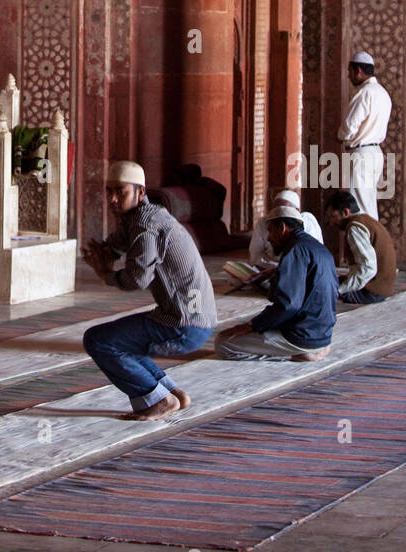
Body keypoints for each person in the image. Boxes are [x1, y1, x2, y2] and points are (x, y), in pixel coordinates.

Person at [81, 159, 218, 420]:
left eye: (120, 191)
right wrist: (105, 252)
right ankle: (173, 394)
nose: (112, 198)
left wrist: (106, 274)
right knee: (121, 342)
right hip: (196, 319)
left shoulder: (146, 224)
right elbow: (117, 245)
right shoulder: (139, 217)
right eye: (108, 191)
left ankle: (160, 400)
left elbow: (137, 279)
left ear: (140, 192)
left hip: (184, 325)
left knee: (98, 340)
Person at [216, 210, 338, 362]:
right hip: (323, 333)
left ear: (282, 227)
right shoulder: (316, 247)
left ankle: (293, 354)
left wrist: (252, 325)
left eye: (270, 231)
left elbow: (288, 305)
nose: (268, 238)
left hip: (301, 335)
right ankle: (312, 348)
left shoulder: (294, 250)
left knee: (223, 343)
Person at [338, 50, 392, 217]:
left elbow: (350, 127)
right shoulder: (383, 93)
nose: (349, 76)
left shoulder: (364, 94)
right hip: (374, 153)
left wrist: (340, 135)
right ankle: (371, 242)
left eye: (350, 71)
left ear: (358, 71)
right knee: (367, 204)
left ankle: (365, 243)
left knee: (357, 209)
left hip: (361, 154)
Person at [324, 191, 397, 305]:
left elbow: (368, 268)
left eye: (333, 216)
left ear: (346, 212)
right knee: (332, 281)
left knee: (323, 290)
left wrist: (339, 291)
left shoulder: (355, 229)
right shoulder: (366, 220)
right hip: (383, 288)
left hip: (373, 292)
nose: (331, 222)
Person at [248, 188, 323, 271]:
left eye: (282, 211)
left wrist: (283, 268)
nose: (276, 215)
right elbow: (255, 257)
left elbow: (304, 263)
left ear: (297, 211)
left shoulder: (308, 222)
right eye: (274, 210)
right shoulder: (264, 222)